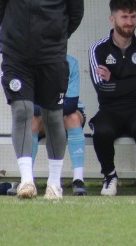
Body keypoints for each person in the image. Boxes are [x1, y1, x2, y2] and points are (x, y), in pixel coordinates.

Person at [0, 0, 85, 201]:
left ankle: (54, 184)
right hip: (17, 56)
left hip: (52, 57)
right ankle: (27, 181)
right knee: (21, 111)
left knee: (53, 116)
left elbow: (74, 15)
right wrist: (17, 36)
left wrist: (53, 39)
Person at [88, 0, 136, 196]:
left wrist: (114, 81)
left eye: (133, 17)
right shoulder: (98, 49)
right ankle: (109, 176)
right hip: (110, 109)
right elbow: (102, 89)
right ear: (113, 19)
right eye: (124, 17)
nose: (129, 22)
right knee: (101, 129)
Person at [31, 55, 88, 196]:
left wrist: (51, 111)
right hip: (42, 114)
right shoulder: (31, 62)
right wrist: (48, 112)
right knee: (31, 120)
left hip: (65, 113)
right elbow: (29, 105)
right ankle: (27, 179)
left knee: (73, 118)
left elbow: (71, 104)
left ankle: (78, 180)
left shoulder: (71, 63)